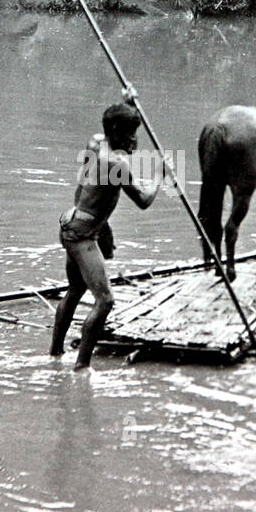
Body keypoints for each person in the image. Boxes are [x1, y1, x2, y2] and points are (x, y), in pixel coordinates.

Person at [49, 93, 163, 369]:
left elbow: (110, 128)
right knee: (105, 300)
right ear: (118, 133)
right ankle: (81, 368)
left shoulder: (95, 142)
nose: (134, 141)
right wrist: (161, 175)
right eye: (131, 135)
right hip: (82, 236)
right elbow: (143, 201)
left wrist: (128, 106)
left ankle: (55, 354)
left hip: (72, 223)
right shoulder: (117, 165)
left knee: (75, 289)